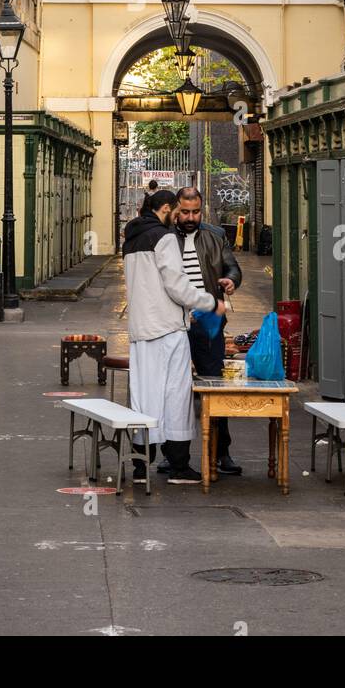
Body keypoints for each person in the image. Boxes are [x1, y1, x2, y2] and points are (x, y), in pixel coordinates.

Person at [122, 189, 226, 484]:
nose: (179, 217)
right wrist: (210, 302)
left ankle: (142, 466)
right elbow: (177, 285)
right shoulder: (165, 237)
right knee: (176, 397)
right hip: (168, 328)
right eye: (176, 211)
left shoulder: (131, 238)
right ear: (165, 208)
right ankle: (179, 466)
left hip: (141, 329)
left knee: (144, 397)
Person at [171, 185, 245, 475]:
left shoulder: (216, 236)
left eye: (196, 211)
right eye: (185, 211)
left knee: (214, 386)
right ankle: (175, 454)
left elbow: (232, 268)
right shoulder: (165, 238)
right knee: (176, 390)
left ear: (202, 209)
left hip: (209, 322)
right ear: (177, 209)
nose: (190, 217)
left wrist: (231, 282)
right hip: (175, 322)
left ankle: (221, 452)